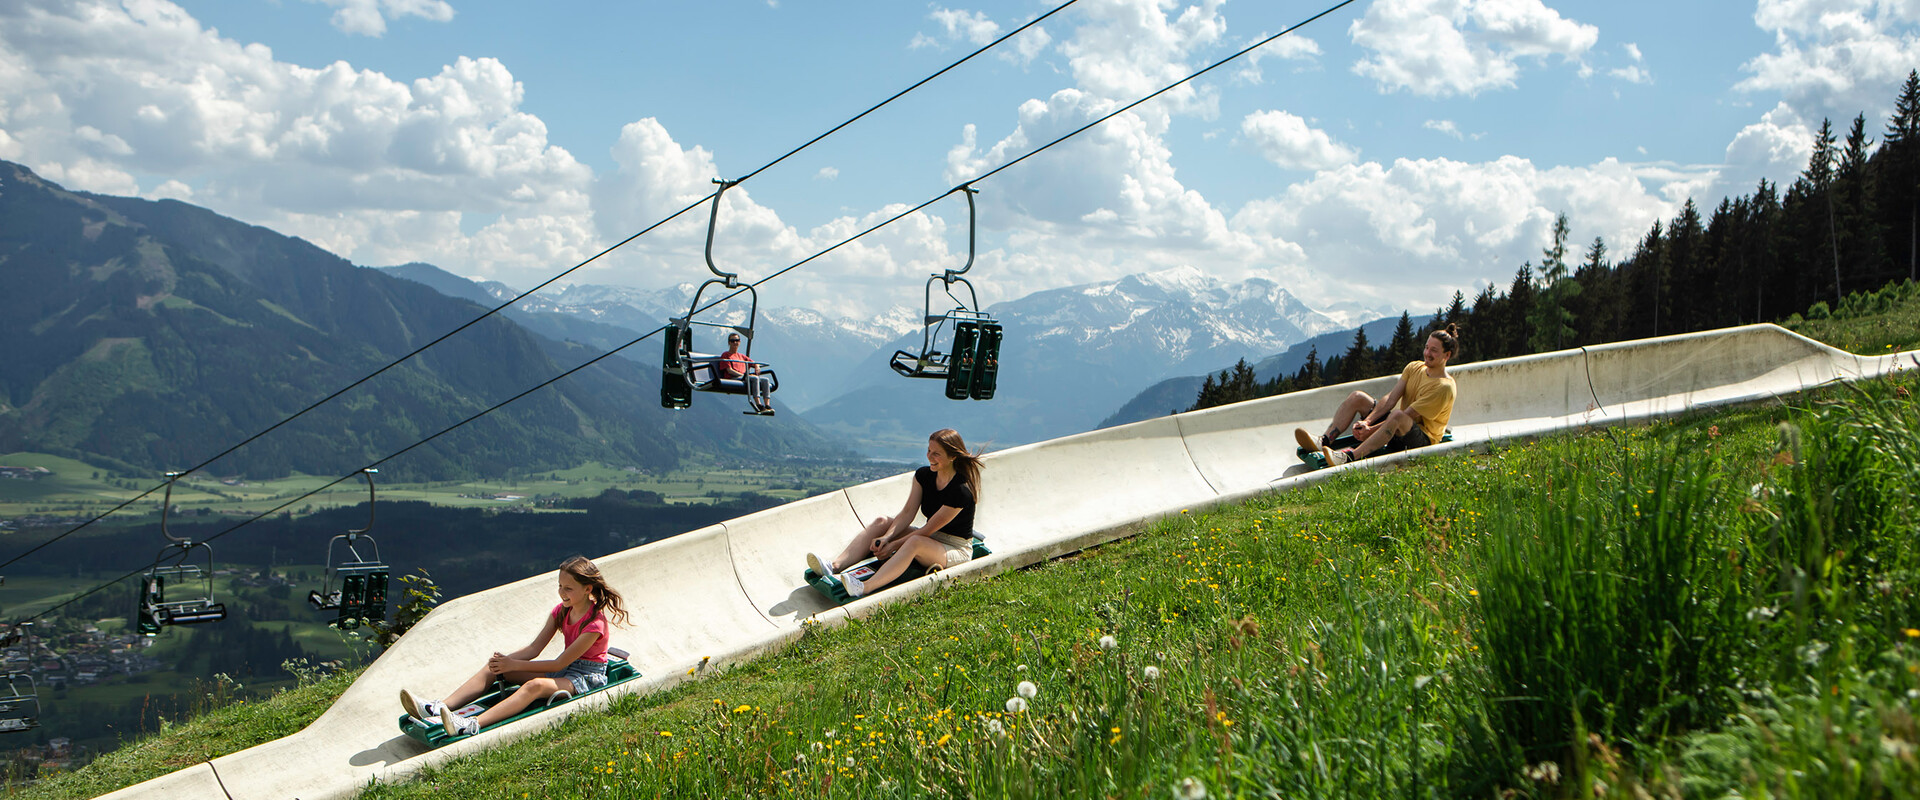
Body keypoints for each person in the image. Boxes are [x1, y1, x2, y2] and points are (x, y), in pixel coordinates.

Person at [399, 556, 631, 738]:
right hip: (564, 670)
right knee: (495, 669)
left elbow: (560, 662)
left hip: (585, 675)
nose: (562, 592)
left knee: (535, 686)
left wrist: (514, 664)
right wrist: (504, 663)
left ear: (587, 589)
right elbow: (534, 649)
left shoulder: (594, 624)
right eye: (560, 586)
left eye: (568, 588)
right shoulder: (562, 611)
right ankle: (438, 707)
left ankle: (470, 725)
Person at [806, 429, 983, 598]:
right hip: (932, 539)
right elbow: (907, 513)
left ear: (952, 457)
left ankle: (864, 587)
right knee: (881, 522)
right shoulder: (923, 475)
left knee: (915, 542)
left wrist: (894, 545)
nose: (929, 456)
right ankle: (834, 566)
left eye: (936, 453)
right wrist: (886, 538)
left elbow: (928, 529)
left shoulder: (960, 491)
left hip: (954, 548)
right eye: (929, 450)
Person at [1295, 323, 1460, 466]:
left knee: (1398, 415)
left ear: (1447, 355)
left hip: (1422, 441)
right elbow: (1391, 399)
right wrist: (1367, 422)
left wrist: (1371, 430)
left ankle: (1348, 457)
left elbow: (1408, 415)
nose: (1427, 353)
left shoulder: (1443, 387)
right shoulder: (1415, 367)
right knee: (1358, 397)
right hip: (1399, 426)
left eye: (1434, 351)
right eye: (1426, 347)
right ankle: (1324, 441)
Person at [717, 332, 774, 414]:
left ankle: (767, 405)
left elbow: (754, 363)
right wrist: (743, 375)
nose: (735, 342)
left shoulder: (741, 356)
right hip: (734, 378)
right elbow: (729, 370)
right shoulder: (726, 355)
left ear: (739, 342)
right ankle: (758, 404)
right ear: (729, 342)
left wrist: (757, 367)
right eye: (732, 341)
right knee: (754, 378)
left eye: (737, 340)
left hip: (744, 377)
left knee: (765, 380)